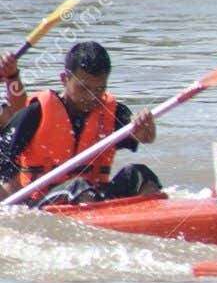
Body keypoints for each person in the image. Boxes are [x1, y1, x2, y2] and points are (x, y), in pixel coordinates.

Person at [0, 40, 160, 204]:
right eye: (84, 88)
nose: (92, 97)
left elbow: (145, 137)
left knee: (141, 175)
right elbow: (4, 167)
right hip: (44, 202)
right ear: (65, 79)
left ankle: (154, 220)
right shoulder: (34, 114)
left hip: (94, 196)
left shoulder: (114, 113)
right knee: (79, 186)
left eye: (99, 89)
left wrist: (145, 131)